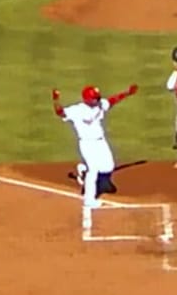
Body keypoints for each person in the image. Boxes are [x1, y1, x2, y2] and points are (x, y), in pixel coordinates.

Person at [52, 83, 137, 211]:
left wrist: (127, 93)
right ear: (87, 99)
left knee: (108, 167)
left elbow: (112, 101)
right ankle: (89, 199)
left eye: (97, 97)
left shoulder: (100, 104)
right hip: (87, 143)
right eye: (95, 98)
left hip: (100, 142)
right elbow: (60, 112)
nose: (97, 99)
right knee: (94, 170)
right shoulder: (78, 110)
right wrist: (56, 99)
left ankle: (83, 170)